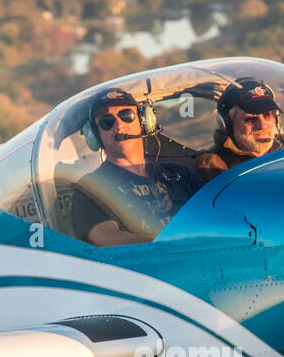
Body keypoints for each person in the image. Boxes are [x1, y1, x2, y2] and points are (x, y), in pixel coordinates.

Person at [71, 88, 202, 246]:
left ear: (144, 121)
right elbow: (105, 237)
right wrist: (171, 245)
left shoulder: (180, 173)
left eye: (127, 116)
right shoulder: (92, 187)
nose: (119, 126)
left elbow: (216, 212)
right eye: (107, 121)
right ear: (95, 134)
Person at [195, 77, 284, 183]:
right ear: (226, 124)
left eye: (267, 115)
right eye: (250, 119)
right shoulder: (211, 166)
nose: (262, 125)